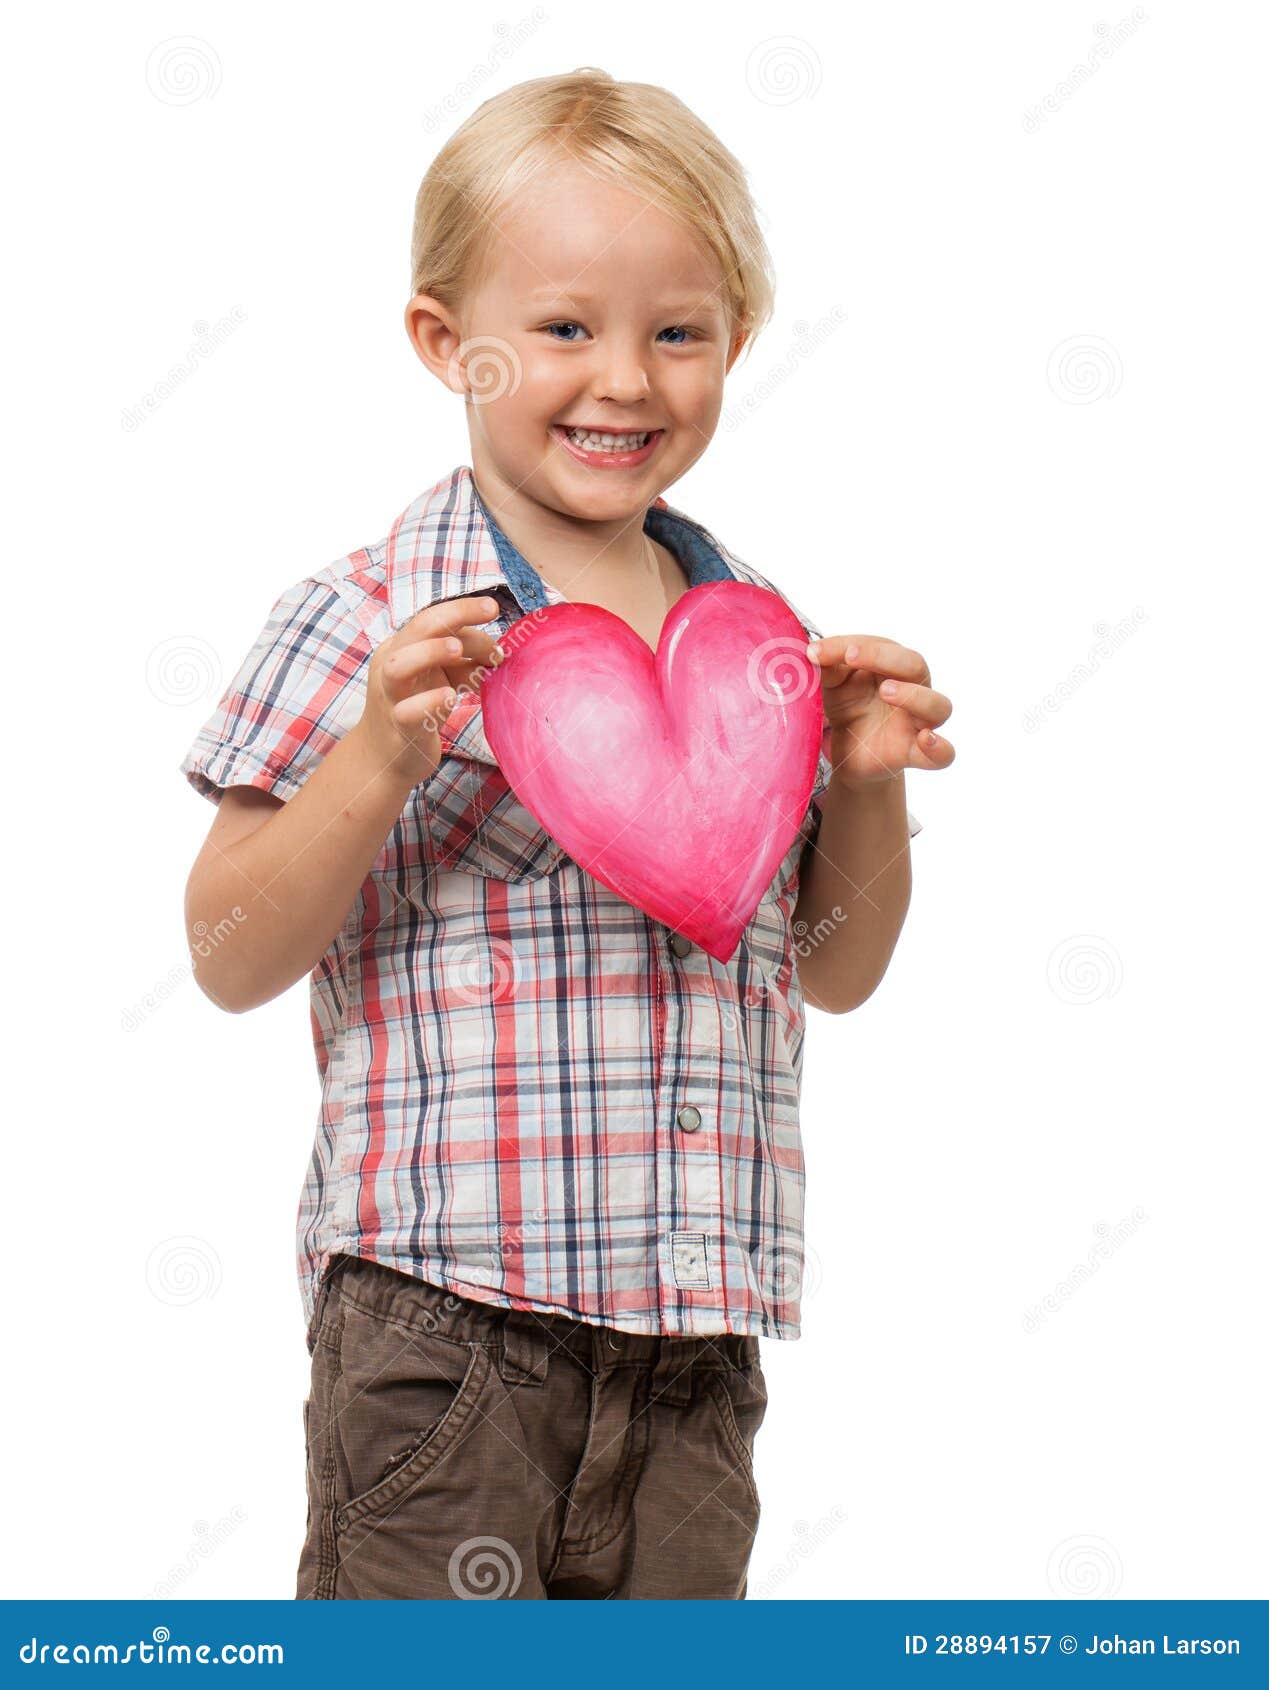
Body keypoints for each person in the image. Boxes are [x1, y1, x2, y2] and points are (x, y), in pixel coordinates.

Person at [178, 66, 953, 1601]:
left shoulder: (759, 647)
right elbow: (225, 951)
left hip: (692, 1347)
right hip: (443, 1333)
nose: (625, 379)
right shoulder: (364, 618)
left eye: (679, 331)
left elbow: (833, 969)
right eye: (561, 329)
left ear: (736, 336)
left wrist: (863, 780)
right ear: (441, 343)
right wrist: (377, 761)